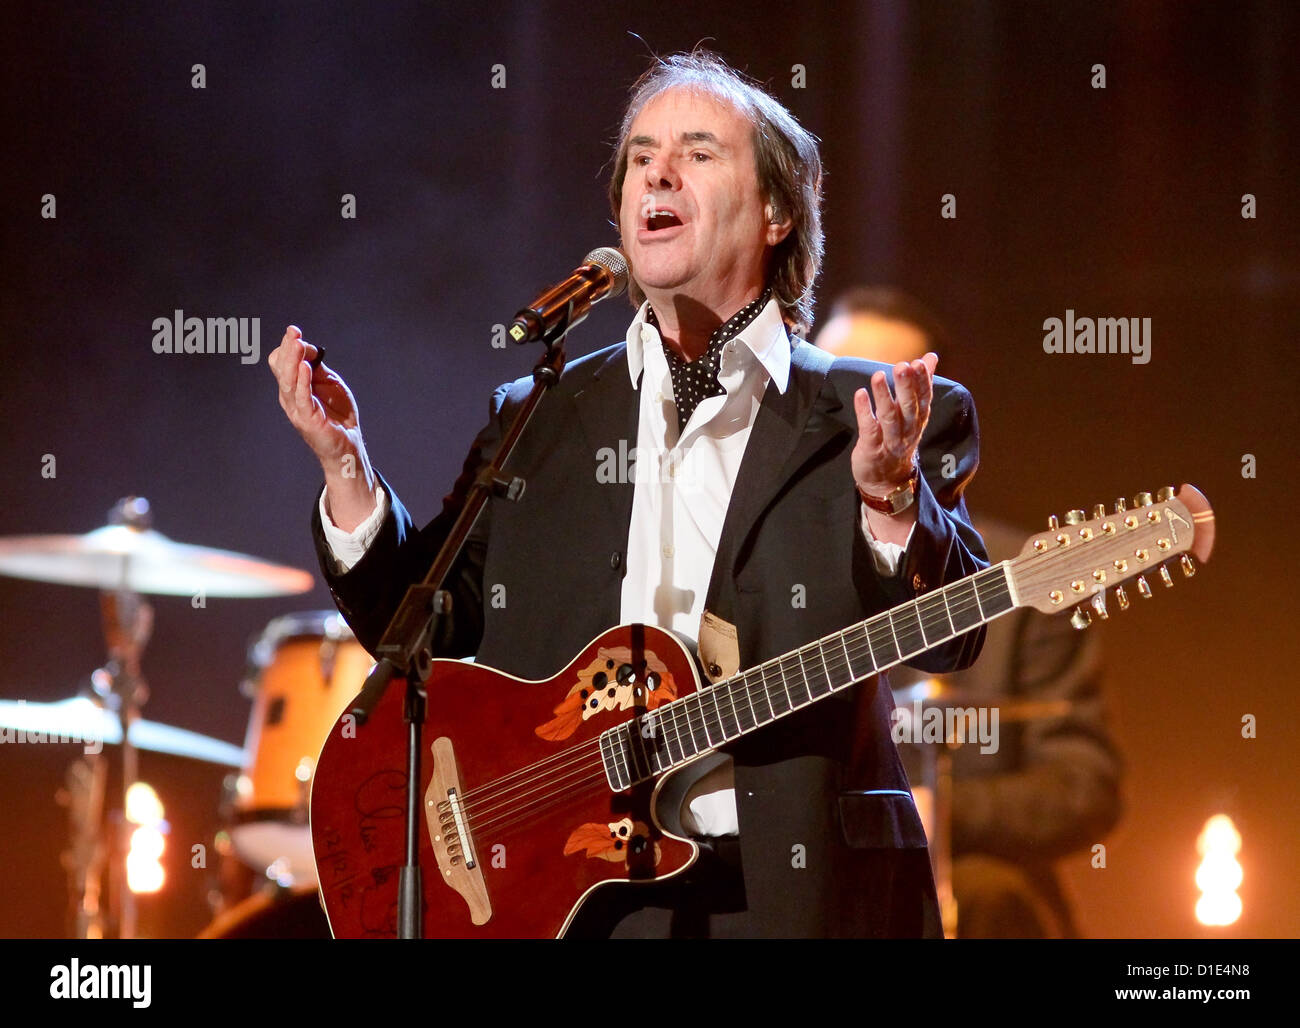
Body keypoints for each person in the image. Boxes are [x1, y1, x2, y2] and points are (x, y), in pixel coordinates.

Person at [269, 52, 989, 938]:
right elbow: (416, 634)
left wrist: (889, 499)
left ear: (775, 212)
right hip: (589, 908)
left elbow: (954, 636)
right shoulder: (541, 414)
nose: (657, 170)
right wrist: (348, 469)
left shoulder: (876, 413)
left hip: (800, 899)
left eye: (697, 151)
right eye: (640, 155)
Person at [816, 286, 1123, 937]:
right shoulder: (763, 561)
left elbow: (1085, 784)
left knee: (986, 898)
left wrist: (937, 810)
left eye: (880, 395)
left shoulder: (1022, 577)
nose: (855, 418)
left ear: (934, 416)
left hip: (968, 894)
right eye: (830, 385)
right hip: (808, 882)